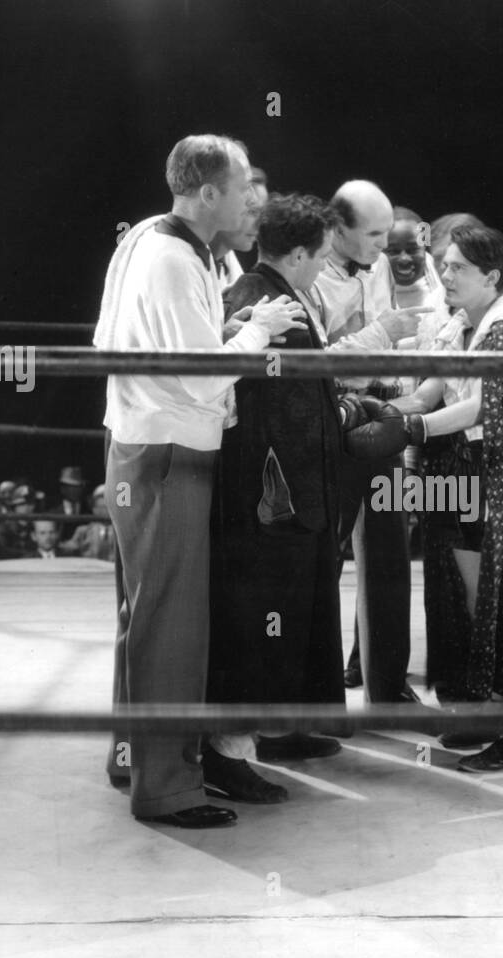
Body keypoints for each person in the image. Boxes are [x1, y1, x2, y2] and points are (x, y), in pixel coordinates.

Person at [95, 132, 306, 829]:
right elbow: (198, 371)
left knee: (146, 613)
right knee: (173, 625)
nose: (253, 196)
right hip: (169, 449)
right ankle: (166, 788)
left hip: (139, 440)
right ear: (210, 191)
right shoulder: (175, 258)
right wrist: (258, 330)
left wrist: (234, 323)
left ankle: (134, 754)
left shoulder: (148, 242)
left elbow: (116, 339)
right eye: (244, 183)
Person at [212, 193, 412, 790]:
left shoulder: (276, 292)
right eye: (323, 250)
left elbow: (301, 391)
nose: (329, 259)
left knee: (293, 612)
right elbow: (266, 405)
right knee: (266, 616)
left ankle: (278, 731)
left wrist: (344, 409)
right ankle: (235, 753)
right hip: (279, 496)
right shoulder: (263, 301)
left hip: (294, 490)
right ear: (299, 252)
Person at [394, 225, 503, 771]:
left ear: (492, 276)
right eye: (443, 265)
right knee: (476, 603)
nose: (445, 275)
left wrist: (413, 431)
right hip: (473, 471)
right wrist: (383, 413)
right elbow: (431, 392)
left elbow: (481, 409)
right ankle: (497, 721)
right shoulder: (458, 327)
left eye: (458, 267)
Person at [307, 179, 432, 703]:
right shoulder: (308, 273)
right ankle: (317, 691)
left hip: (382, 415)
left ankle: (386, 682)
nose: (385, 245)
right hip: (332, 420)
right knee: (323, 557)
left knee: (388, 555)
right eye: (376, 234)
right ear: (338, 229)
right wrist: (382, 332)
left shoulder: (379, 266)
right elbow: (317, 357)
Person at [61, 484, 116, 561]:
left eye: (107, 507)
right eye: (100, 507)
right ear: (93, 509)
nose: (104, 511)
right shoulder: (83, 531)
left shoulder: (121, 532)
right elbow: (70, 548)